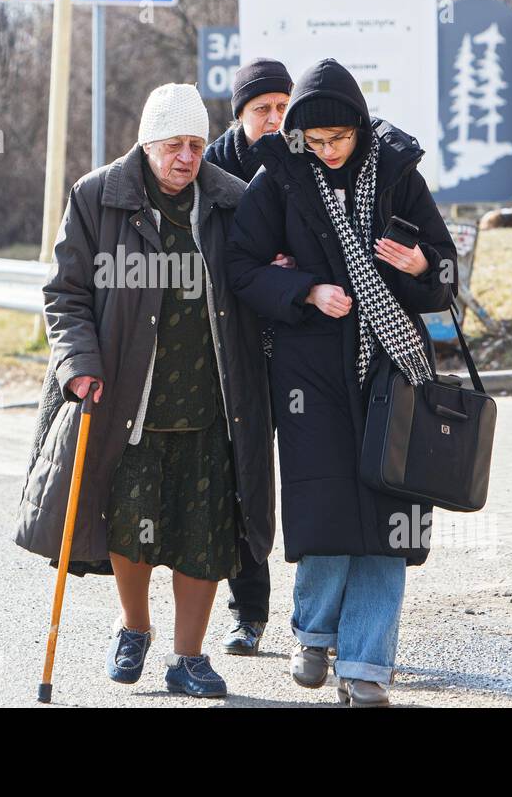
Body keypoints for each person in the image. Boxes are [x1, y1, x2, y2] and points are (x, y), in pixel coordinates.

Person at [16, 82, 275, 698]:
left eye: (197, 144)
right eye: (174, 145)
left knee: (205, 533)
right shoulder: (98, 198)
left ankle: (189, 657)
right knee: (130, 526)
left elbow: (254, 281)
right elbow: (66, 293)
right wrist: (77, 362)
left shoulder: (232, 202)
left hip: (213, 402)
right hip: (128, 399)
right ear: (147, 143)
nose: (187, 157)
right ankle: (134, 626)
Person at [225, 58, 457, 707]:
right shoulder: (279, 180)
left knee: (388, 525)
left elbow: (443, 275)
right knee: (324, 515)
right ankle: (314, 633)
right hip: (311, 380)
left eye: (339, 140)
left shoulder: (399, 175)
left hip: (394, 373)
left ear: (359, 128)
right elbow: (241, 267)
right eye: (315, 141)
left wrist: (420, 265)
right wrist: (306, 290)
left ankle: (365, 668)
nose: (327, 153)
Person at [203, 58, 295, 657]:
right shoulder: (209, 169)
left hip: (295, 336)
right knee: (243, 477)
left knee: (314, 473)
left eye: (283, 108)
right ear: (239, 113)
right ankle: (248, 612)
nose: (274, 119)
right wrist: (263, 271)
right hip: (231, 342)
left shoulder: (302, 160)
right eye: (262, 109)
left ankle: (320, 616)